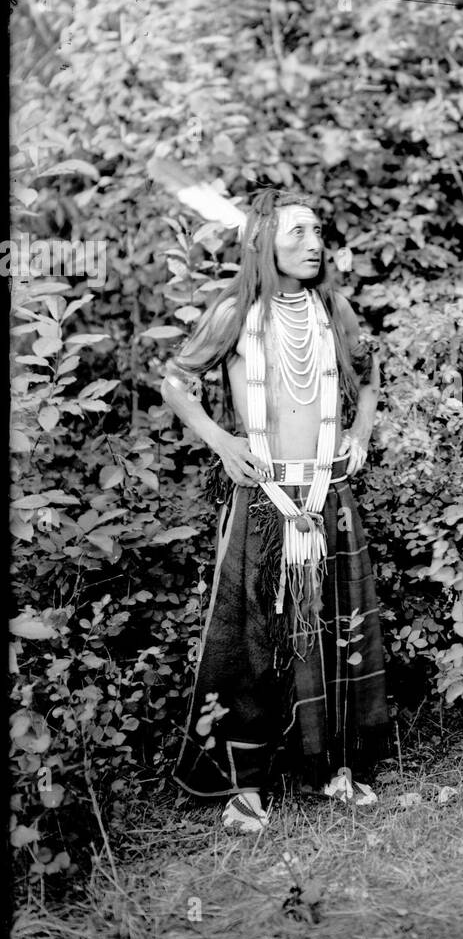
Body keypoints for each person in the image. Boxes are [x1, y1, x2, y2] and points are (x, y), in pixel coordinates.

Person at [160, 189, 390, 833]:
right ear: (264, 244)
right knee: (255, 638)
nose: (314, 243)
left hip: (328, 496)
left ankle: (329, 767)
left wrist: (360, 435)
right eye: (297, 234)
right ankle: (246, 786)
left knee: (334, 630)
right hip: (264, 499)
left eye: (317, 231)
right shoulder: (234, 311)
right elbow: (176, 381)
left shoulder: (334, 309)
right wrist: (222, 440)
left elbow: (369, 379)